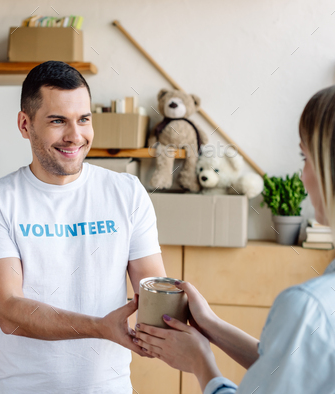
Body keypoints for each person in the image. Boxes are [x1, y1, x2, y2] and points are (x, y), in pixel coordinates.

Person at [0, 60, 167, 393]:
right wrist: (100, 327)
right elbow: (9, 311)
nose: (75, 136)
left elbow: (152, 290)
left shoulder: (127, 192)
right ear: (25, 124)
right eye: (58, 121)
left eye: (84, 119)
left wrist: (183, 315)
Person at [134, 85, 335, 393]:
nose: (303, 174)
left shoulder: (308, 307)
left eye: (304, 156)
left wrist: (201, 363)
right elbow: (285, 369)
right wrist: (211, 326)